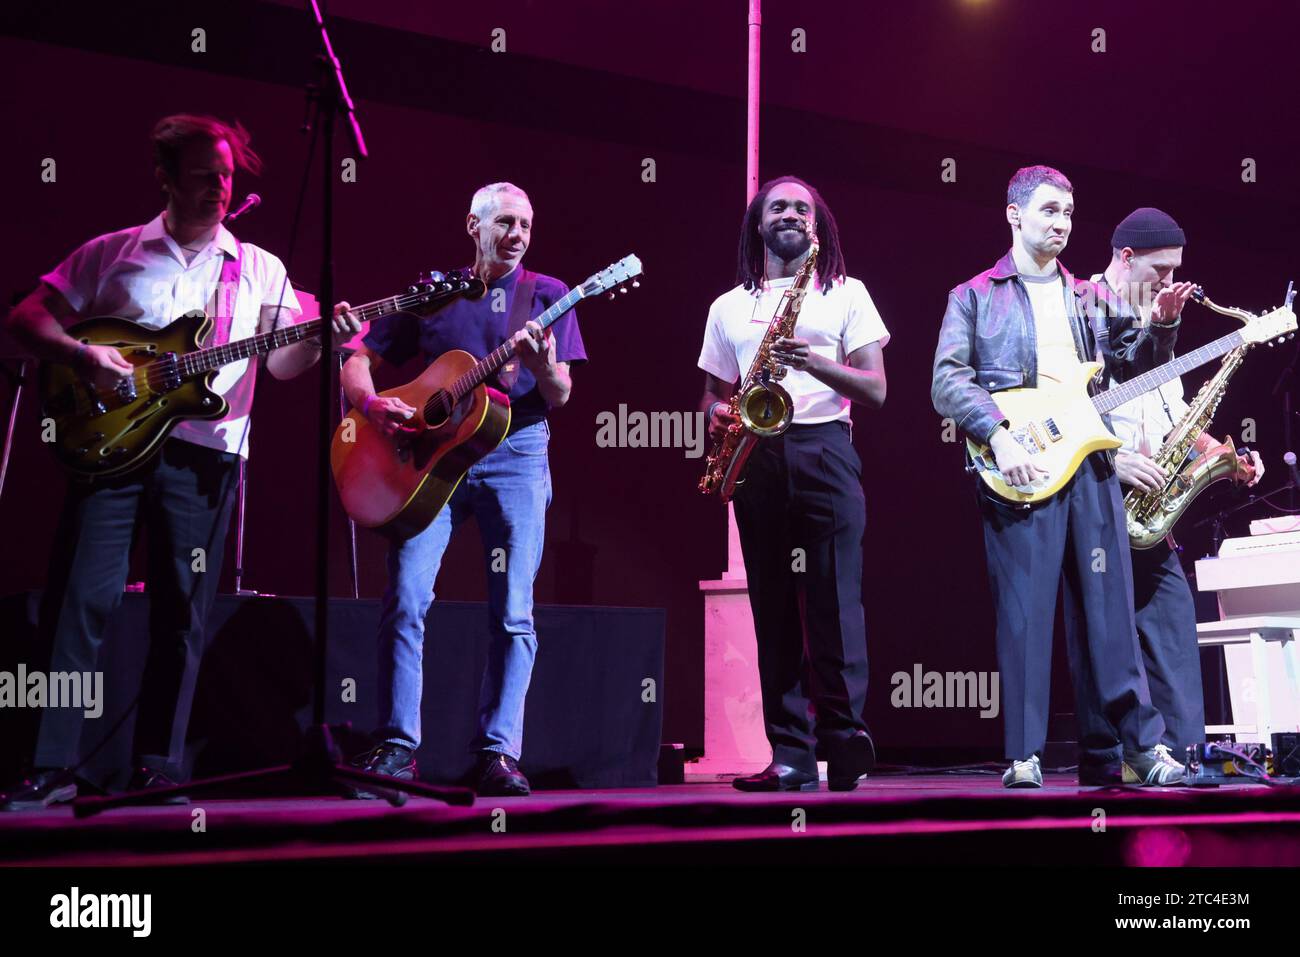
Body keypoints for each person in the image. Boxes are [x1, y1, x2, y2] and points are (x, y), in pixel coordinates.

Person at [0, 114, 357, 811]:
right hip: (109, 451)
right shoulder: (112, 253)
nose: (219, 189)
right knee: (79, 601)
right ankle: (49, 764)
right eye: (202, 176)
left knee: (181, 615)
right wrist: (83, 356)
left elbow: (282, 365)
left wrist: (320, 339)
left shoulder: (259, 268)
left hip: (204, 459)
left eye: (226, 176)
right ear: (164, 178)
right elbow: (27, 317)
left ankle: (157, 767)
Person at [931, 166, 1188, 789]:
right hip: (1023, 465)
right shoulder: (974, 296)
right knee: (1025, 614)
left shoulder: (1092, 298)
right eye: (1049, 210)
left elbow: (1136, 369)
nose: (1062, 223)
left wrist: (1162, 327)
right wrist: (998, 435)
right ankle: (1024, 755)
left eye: (1069, 213)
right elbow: (948, 380)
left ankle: (1140, 747)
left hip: (1091, 465)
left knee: (1111, 613)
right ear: (1014, 214)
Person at [338, 182, 586, 798]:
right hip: (431, 460)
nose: (517, 234)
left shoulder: (548, 295)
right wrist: (371, 403)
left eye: (525, 224)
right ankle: (398, 747)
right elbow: (357, 357)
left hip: (516, 450)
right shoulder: (435, 293)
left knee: (514, 610)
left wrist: (541, 366)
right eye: (504, 222)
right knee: (406, 597)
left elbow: (560, 394)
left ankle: (498, 753)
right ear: (473, 226)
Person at [697, 175, 888, 792]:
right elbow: (711, 393)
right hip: (756, 452)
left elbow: (877, 390)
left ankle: (845, 739)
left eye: (802, 208)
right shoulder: (727, 306)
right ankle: (791, 756)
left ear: (817, 223)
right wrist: (716, 413)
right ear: (759, 223)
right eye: (777, 206)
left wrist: (816, 363)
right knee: (772, 606)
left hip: (825, 445)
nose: (790, 214)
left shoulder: (847, 292)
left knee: (836, 600)